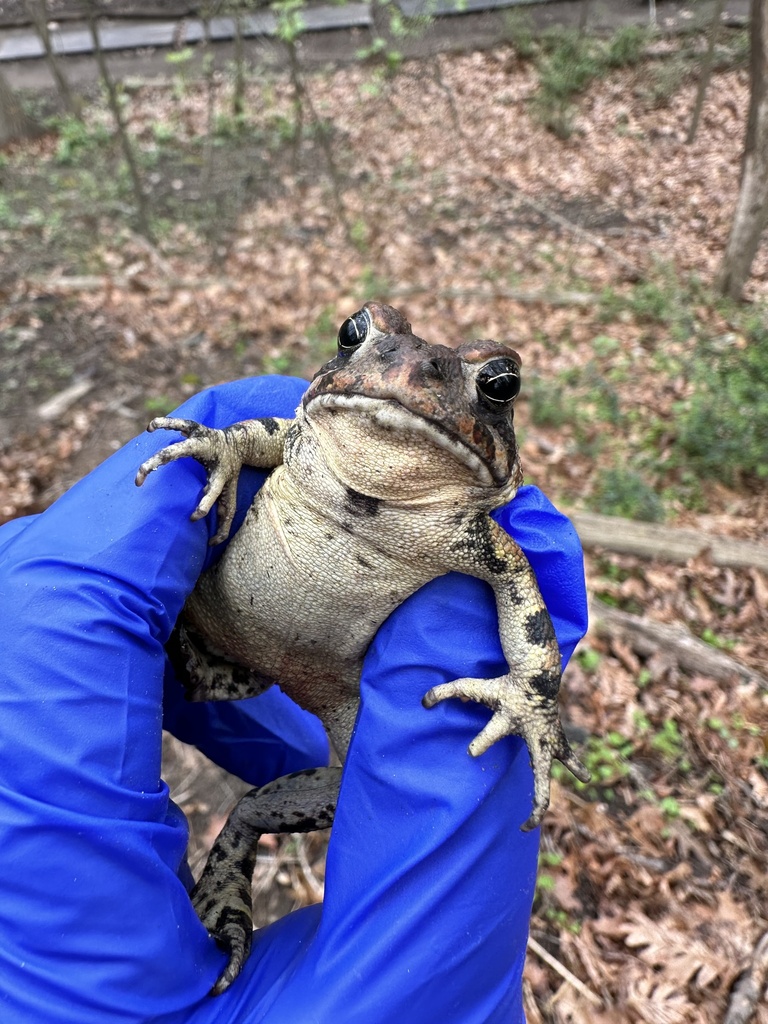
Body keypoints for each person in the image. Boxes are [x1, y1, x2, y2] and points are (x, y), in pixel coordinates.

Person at [0, 373, 587, 1024]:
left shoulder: (468, 532)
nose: (409, 383)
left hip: (338, 689)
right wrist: (226, 449)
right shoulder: (313, 444)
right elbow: (266, 435)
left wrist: (532, 688)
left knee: (372, 788)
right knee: (106, 642)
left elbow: (519, 588)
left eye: (494, 387)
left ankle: (230, 874)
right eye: (360, 336)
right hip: (197, 624)